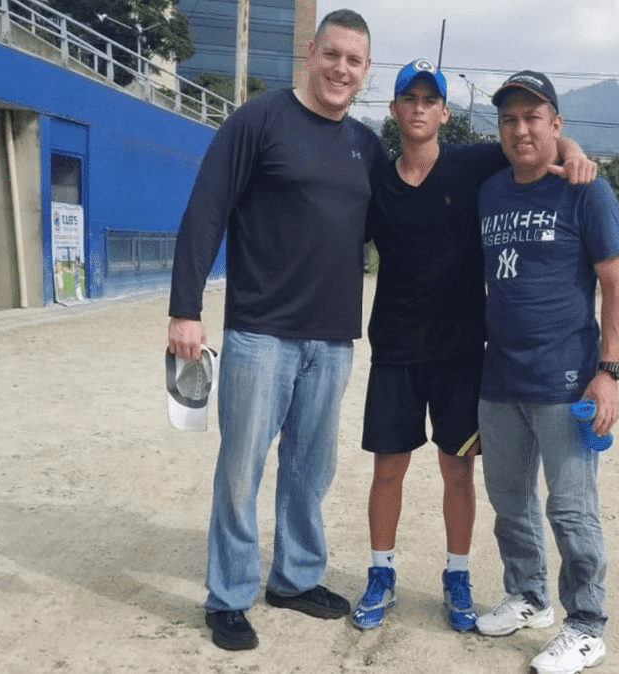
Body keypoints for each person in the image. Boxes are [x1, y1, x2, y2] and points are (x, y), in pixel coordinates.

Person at [351, 60, 598, 633]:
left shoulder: (471, 164)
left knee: (456, 471)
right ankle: (380, 572)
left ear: (443, 112)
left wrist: (577, 150)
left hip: (462, 352)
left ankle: (457, 576)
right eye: (406, 99)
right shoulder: (377, 180)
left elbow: (539, 140)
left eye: (428, 100)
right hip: (395, 352)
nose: (417, 108)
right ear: (393, 111)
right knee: (388, 469)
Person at [167, 10, 385, 651]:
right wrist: (185, 309)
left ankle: (293, 578)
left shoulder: (366, 146)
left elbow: (408, 206)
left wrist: (564, 154)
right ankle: (229, 595)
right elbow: (205, 210)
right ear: (311, 51)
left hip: (333, 340)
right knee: (241, 470)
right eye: (333, 54)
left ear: (365, 70)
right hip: (260, 335)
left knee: (310, 470)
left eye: (355, 60)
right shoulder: (257, 121)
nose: (342, 69)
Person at [474, 71, 619, 674]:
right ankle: (530, 595)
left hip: (565, 381)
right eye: (509, 119)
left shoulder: (586, 190)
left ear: (557, 124)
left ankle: (587, 624)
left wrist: (608, 372)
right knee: (510, 501)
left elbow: (617, 284)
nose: (520, 129)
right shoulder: (490, 191)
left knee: (570, 510)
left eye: (533, 118)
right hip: (501, 378)